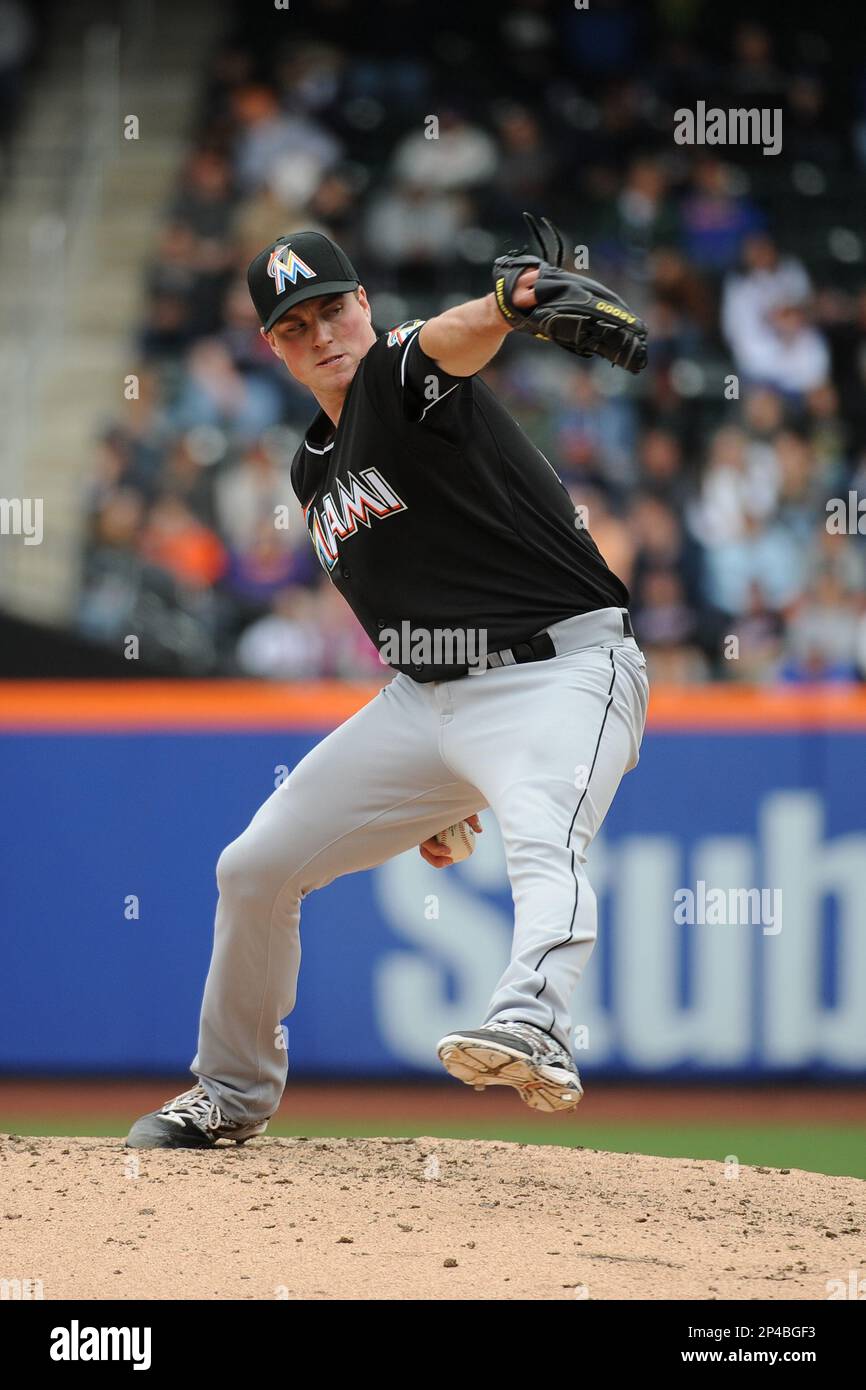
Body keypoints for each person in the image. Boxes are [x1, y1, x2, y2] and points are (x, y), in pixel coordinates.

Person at [126, 229, 650, 1148]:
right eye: (297, 325)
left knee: (542, 835)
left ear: (365, 303)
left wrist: (507, 306)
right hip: (427, 701)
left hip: (564, 670)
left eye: (334, 308)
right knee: (253, 869)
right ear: (274, 349)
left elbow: (449, 338)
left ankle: (536, 1021)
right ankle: (231, 1093)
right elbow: (405, 598)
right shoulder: (311, 470)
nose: (323, 332)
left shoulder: (399, 374)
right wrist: (441, 782)